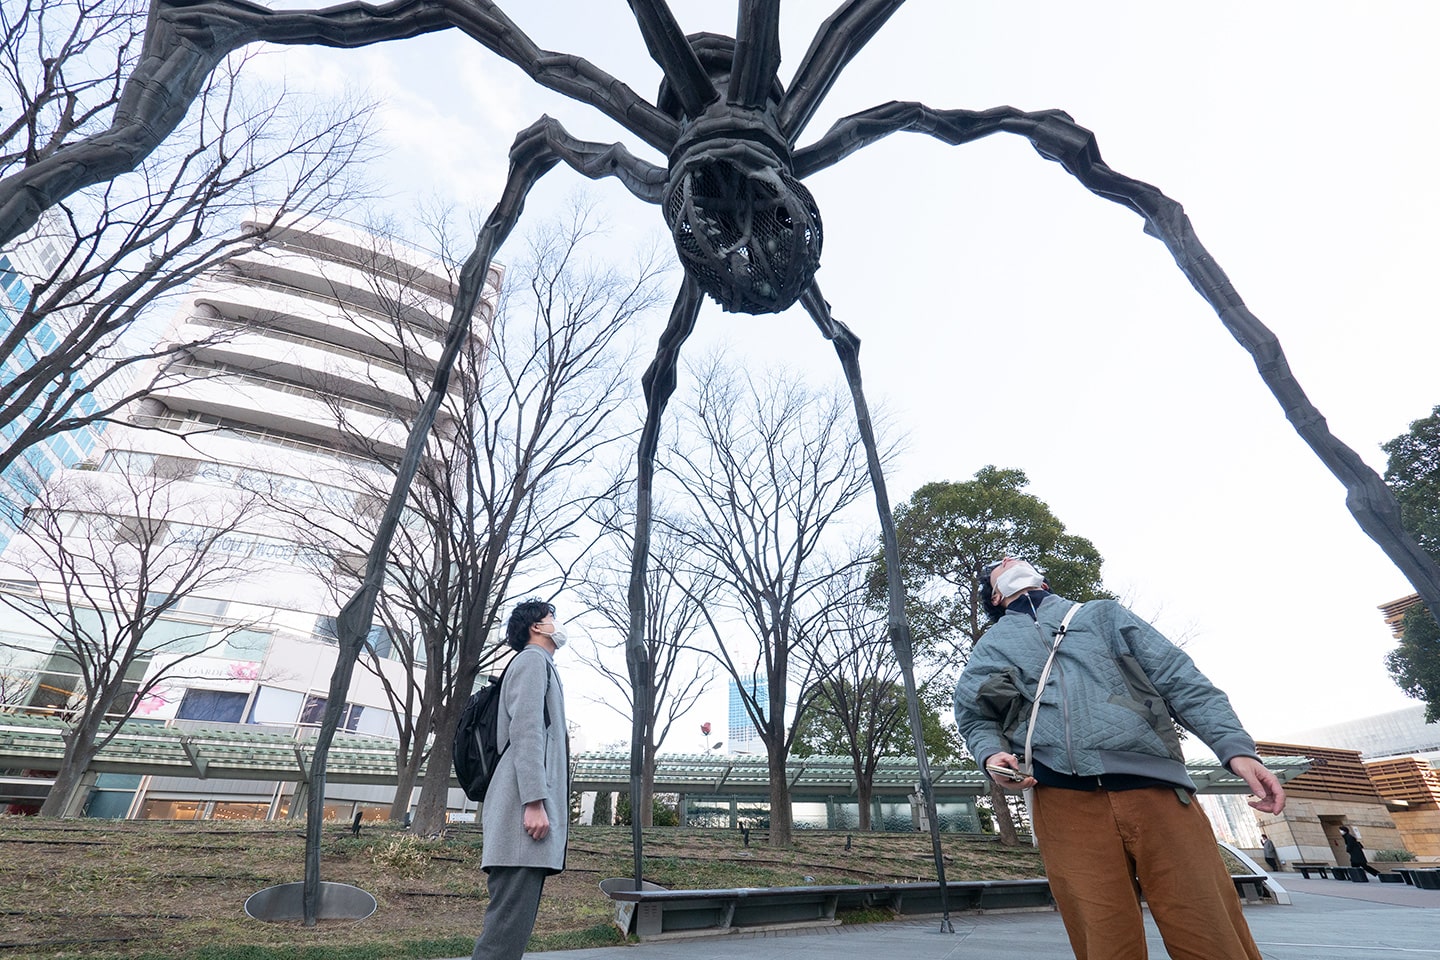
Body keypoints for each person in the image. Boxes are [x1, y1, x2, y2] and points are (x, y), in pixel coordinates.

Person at [953, 558, 1287, 960]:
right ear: (995, 594)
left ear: (1042, 578)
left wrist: (1235, 749)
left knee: (1209, 928)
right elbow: (975, 714)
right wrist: (991, 753)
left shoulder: (1102, 614)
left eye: (1016, 560)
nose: (1008, 562)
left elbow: (1181, 679)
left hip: (1157, 790)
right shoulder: (991, 645)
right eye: (998, 566)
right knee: (1104, 941)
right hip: (1061, 798)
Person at [471, 599, 570, 960]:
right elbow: (527, 731)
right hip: (520, 818)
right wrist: (534, 802)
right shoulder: (531, 661)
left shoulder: (540, 664)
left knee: (510, 932)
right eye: (552, 619)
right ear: (536, 627)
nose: (557, 624)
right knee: (503, 936)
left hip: (522, 818)